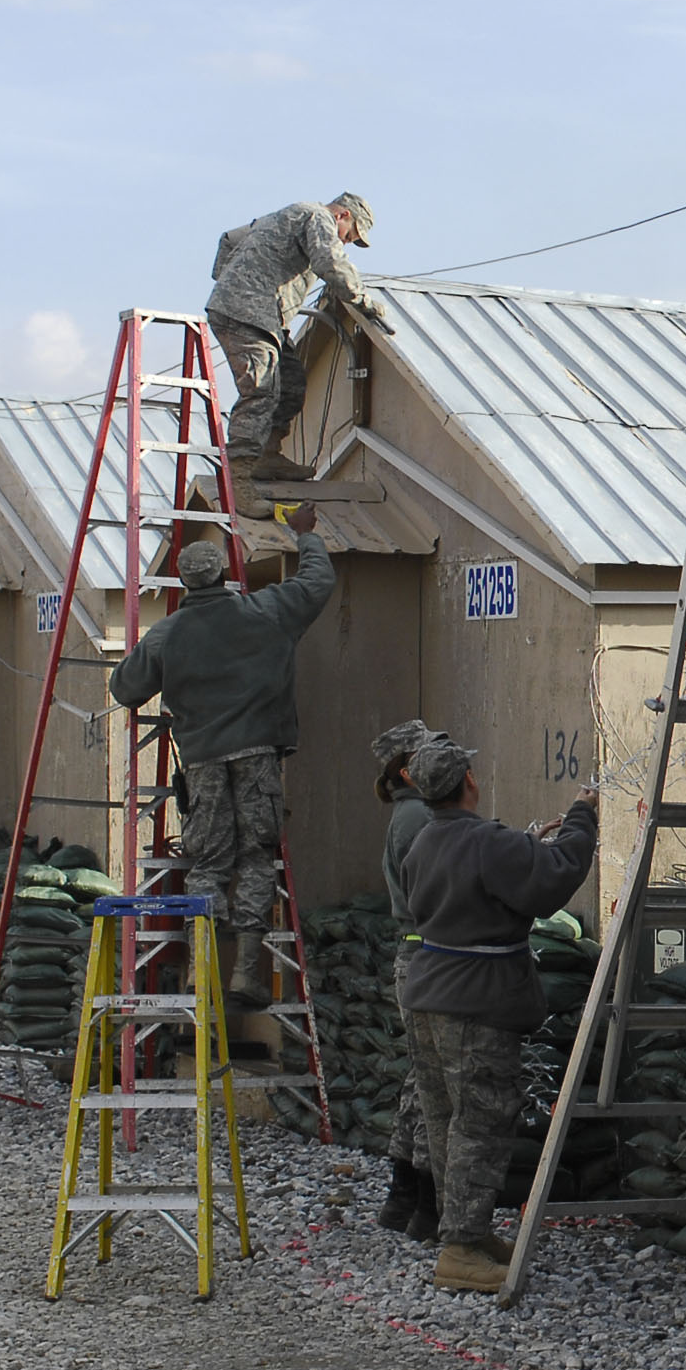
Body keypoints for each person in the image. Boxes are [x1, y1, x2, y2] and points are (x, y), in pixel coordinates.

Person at [107, 507, 336, 1003]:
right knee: (256, 857)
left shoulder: (169, 634)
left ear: (186, 583)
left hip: (204, 762)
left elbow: (124, 688)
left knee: (208, 863)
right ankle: (246, 975)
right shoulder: (267, 611)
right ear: (227, 576)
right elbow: (318, 582)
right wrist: (306, 536)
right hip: (258, 758)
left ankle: (200, 973)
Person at [401, 737, 598, 1293]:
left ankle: (465, 1231)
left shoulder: (424, 842)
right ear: (468, 782)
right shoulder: (487, 842)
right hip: (475, 1002)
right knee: (481, 1123)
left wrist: (523, 848)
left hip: (428, 996)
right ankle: (462, 1249)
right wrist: (582, 817)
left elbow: (473, 891)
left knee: (446, 1122)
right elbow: (553, 878)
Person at [206, 192, 388, 512]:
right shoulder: (317, 217)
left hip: (262, 317)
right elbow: (329, 261)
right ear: (342, 216)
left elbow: (229, 239)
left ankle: (268, 455)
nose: (345, 243)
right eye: (350, 236)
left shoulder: (281, 218)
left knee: (290, 382)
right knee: (260, 391)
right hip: (246, 314)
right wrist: (362, 300)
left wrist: (232, 281)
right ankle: (239, 485)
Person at [369, 718, 441, 1241]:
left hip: (417, 956)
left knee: (421, 1079)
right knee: (431, 1083)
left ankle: (406, 1197)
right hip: (425, 955)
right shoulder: (417, 816)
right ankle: (420, 1196)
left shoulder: (413, 814)